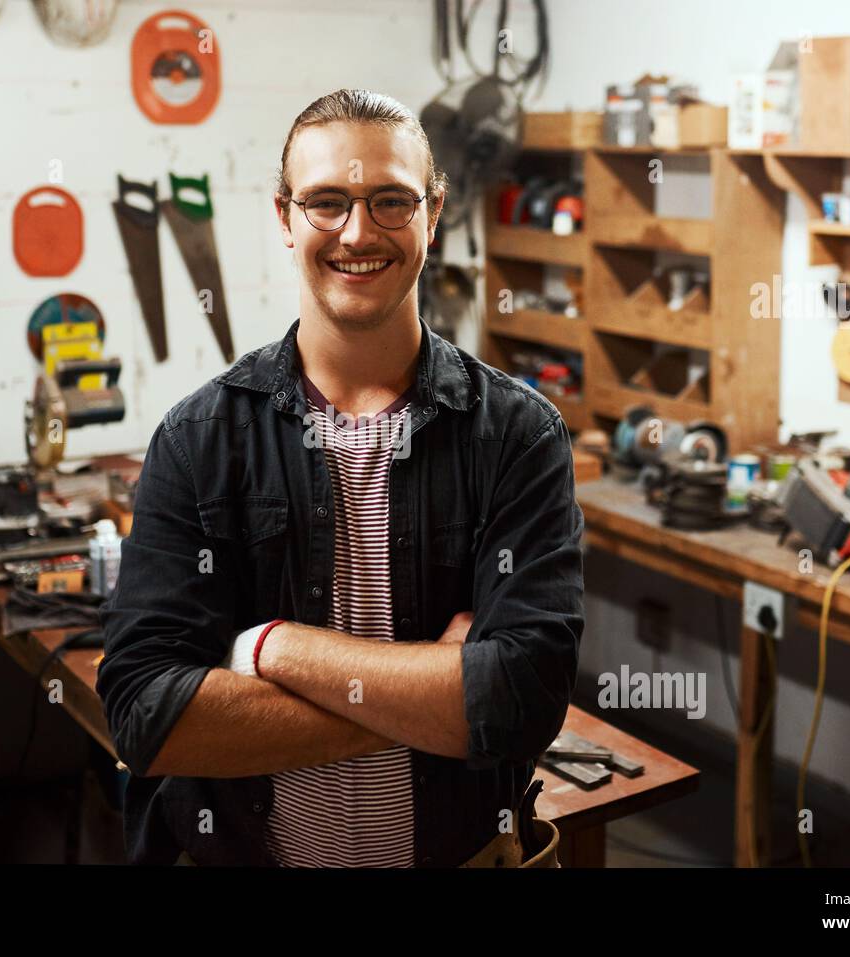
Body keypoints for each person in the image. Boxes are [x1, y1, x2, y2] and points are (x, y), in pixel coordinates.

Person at [97, 88, 585, 867]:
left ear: (434, 214)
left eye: (391, 200)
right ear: (285, 217)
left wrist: (275, 649)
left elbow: (523, 698)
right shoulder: (198, 441)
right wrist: (436, 690)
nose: (358, 232)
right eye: (327, 201)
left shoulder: (518, 437)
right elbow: (147, 715)